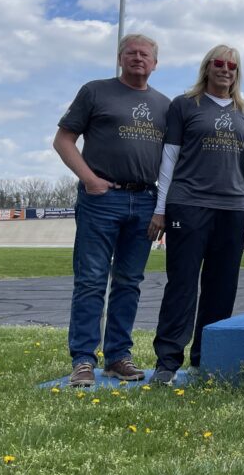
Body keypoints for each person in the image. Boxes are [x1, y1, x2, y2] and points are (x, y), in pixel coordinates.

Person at [53, 34, 170, 387]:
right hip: (102, 198)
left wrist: (161, 206)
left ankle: (118, 356)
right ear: (120, 58)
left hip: (145, 200)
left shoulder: (165, 105)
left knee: (129, 282)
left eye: (145, 54)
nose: (138, 58)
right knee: (90, 279)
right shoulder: (95, 91)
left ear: (155, 63)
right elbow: (63, 139)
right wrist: (89, 179)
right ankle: (84, 360)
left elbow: (171, 160)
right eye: (131, 53)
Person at [147, 45, 244, 385]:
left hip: (234, 208)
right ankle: (167, 362)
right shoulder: (185, 105)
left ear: (237, 72)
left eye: (232, 65)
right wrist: (161, 209)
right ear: (207, 67)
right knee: (181, 285)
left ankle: (205, 360)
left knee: (221, 288)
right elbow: (169, 159)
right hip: (189, 204)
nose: (225, 69)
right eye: (219, 63)